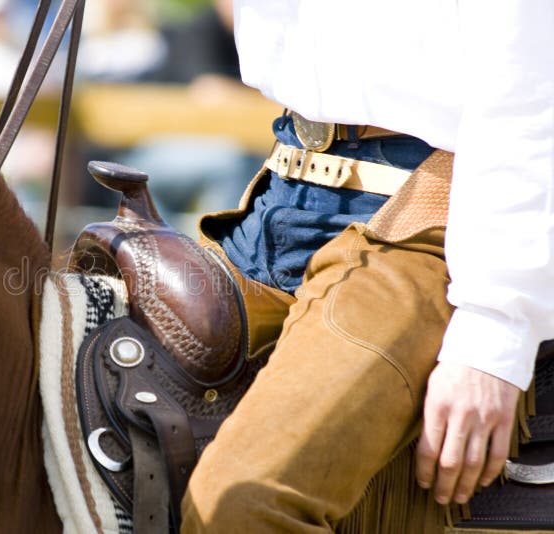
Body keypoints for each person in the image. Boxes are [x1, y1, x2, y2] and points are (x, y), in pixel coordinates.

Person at [180, 1, 554, 532]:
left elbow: (534, 87)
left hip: (434, 218)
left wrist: (496, 329)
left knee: (241, 507)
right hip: (276, 189)